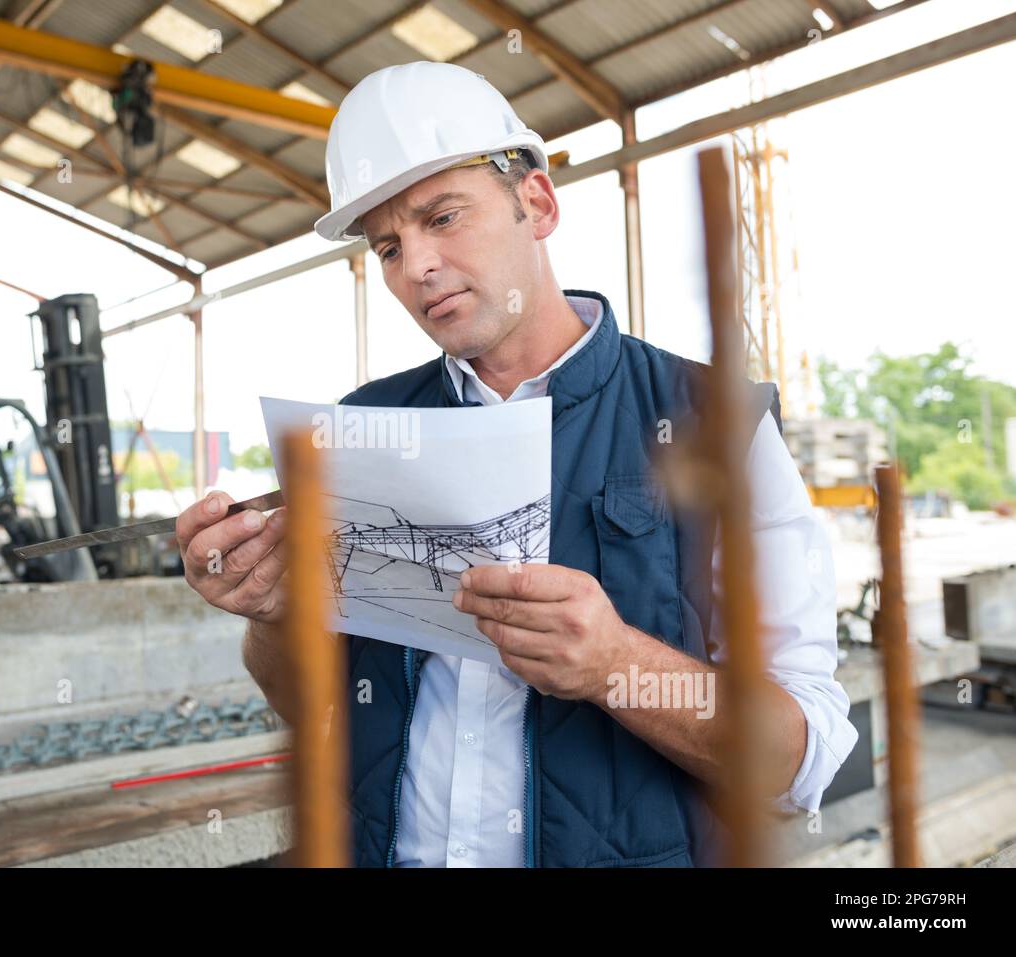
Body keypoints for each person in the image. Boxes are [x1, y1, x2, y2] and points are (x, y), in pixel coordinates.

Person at [176, 61, 857, 867]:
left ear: (536, 201)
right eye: (389, 246)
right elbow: (313, 704)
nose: (416, 266)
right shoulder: (361, 427)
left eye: (443, 216)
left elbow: (797, 760)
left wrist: (617, 666)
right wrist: (270, 611)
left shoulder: (717, 427)